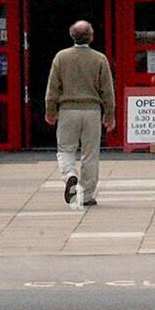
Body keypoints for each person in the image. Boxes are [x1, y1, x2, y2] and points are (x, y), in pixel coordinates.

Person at [45, 20, 115, 207]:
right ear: (91, 37)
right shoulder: (99, 59)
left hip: (67, 111)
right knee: (90, 154)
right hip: (92, 111)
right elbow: (107, 90)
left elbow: (52, 89)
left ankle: (70, 174)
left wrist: (50, 111)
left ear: (71, 35)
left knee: (65, 149)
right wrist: (109, 114)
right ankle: (87, 194)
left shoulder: (61, 57)